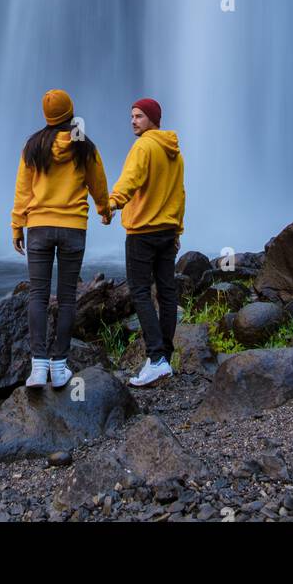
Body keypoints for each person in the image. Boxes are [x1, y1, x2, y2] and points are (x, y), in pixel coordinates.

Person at [12, 88, 111, 389]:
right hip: (72, 229)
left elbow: (23, 190)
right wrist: (104, 210)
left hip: (39, 227)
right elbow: (98, 183)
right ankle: (59, 366)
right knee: (67, 298)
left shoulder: (34, 145)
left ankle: (38, 368)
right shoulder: (84, 146)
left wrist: (18, 225)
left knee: (38, 296)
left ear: (46, 115)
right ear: (70, 112)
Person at [108, 97, 184, 387]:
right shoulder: (175, 151)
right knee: (166, 293)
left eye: (139, 116)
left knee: (140, 292)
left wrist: (112, 204)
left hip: (142, 231)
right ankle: (164, 356)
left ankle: (156, 360)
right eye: (132, 116)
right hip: (166, 230)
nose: (133, 121)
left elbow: (130, 180)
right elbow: (180, 194)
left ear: (153, 119)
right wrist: (178, 230)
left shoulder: (143, 147)